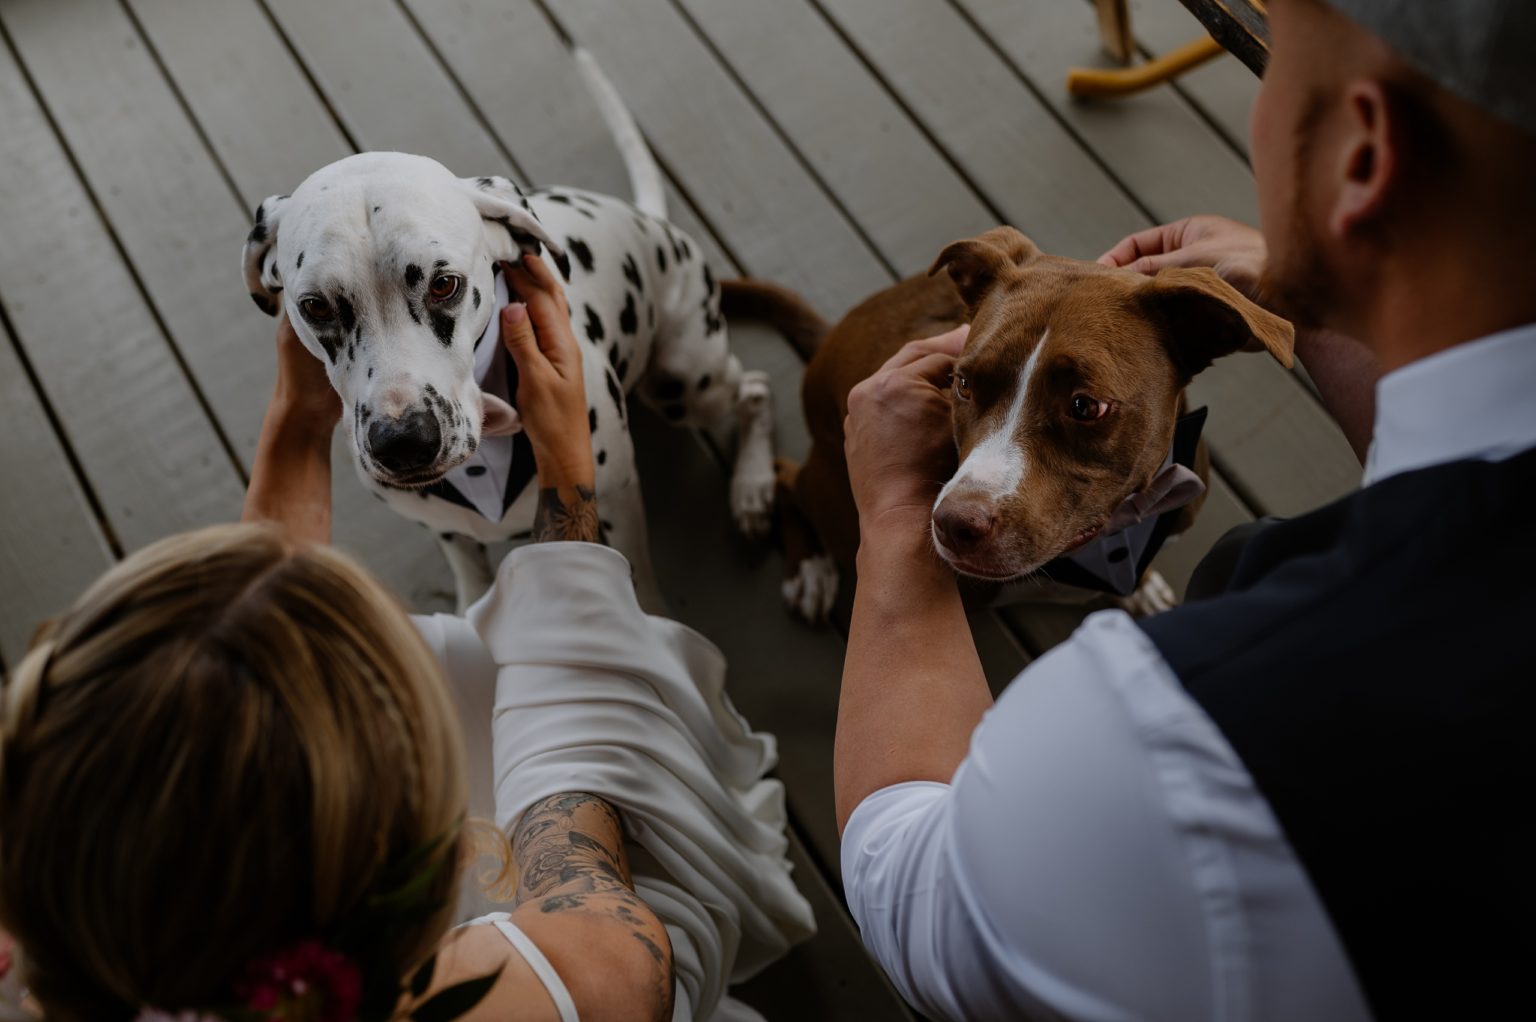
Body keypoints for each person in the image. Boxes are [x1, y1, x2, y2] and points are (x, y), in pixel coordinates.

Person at [833, 1, 1535, 1019]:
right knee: (1252, 548)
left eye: (1277, 47)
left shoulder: (1178, 746)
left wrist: (897, 518)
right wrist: (1340, 286)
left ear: (1363, 153)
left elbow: (914, 895)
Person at [0, 253, 811, 1021]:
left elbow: (236, 680)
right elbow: (612, 948)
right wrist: (567, 479)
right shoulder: (501, 994)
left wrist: (296, 420)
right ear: (374, 835)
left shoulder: (86, 922)